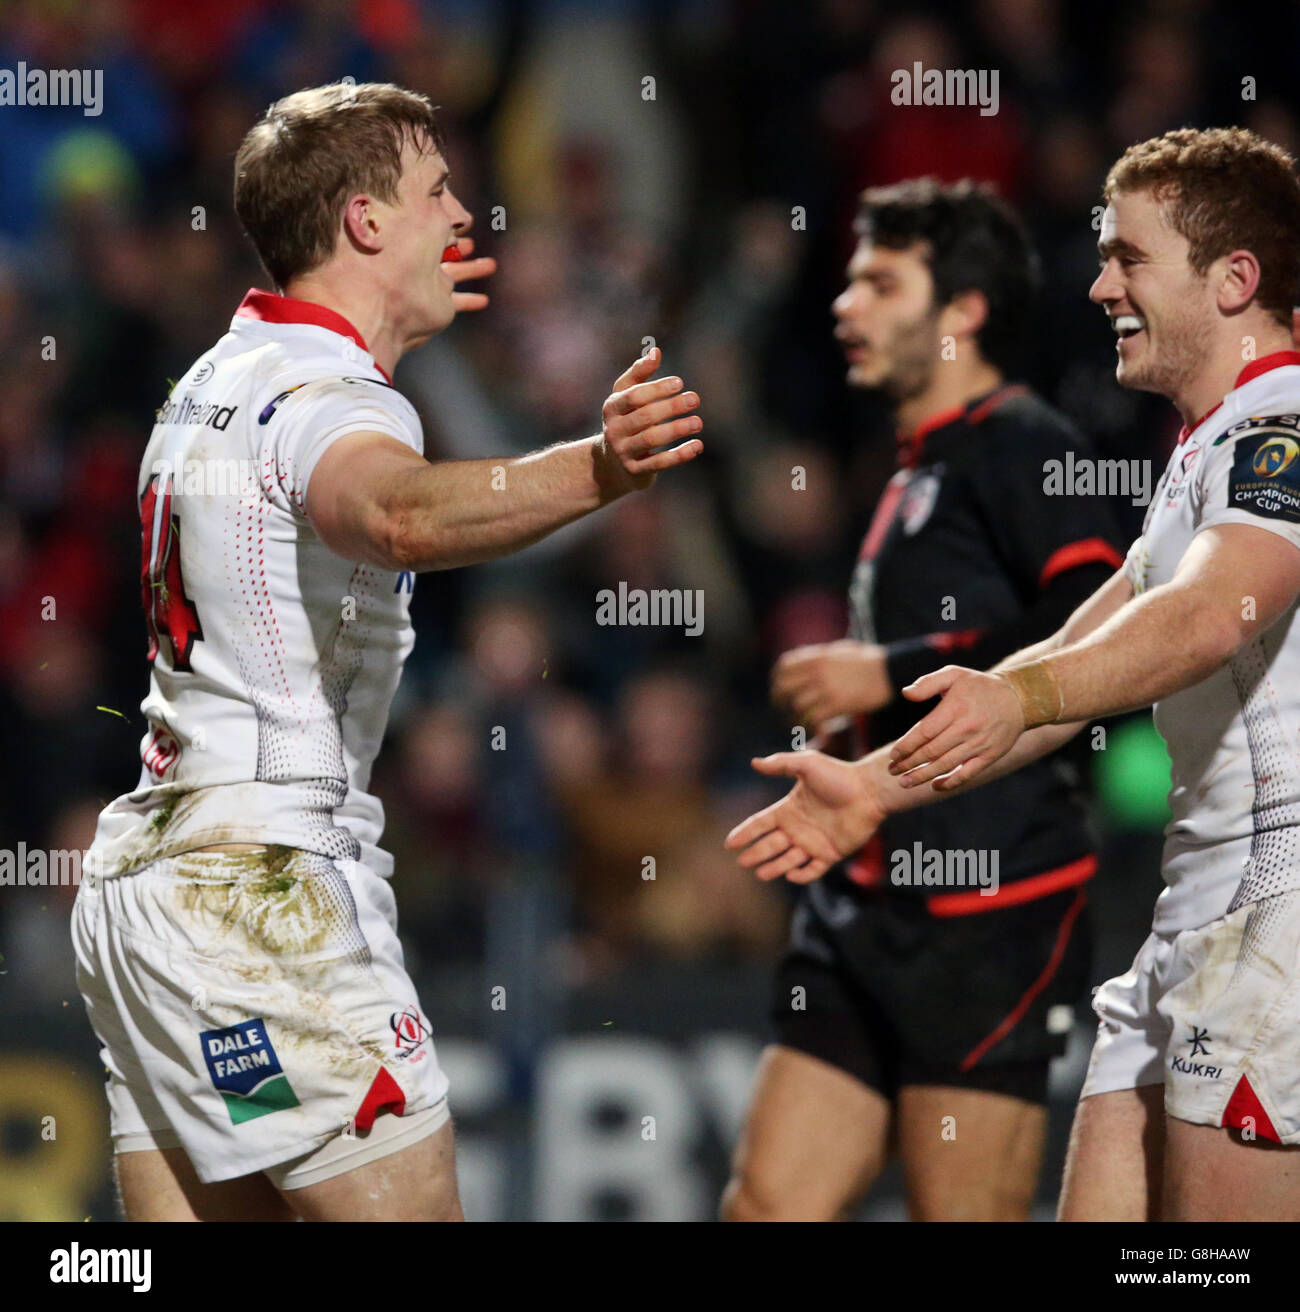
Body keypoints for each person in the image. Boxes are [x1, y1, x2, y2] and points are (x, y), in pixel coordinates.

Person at [71, 81, 704, 1222]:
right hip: (261, 886)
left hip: (150, 885)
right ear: (366, 222)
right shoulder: (326, 391)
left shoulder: (207, 381)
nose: (467, 214)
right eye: (439, 190)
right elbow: (396, 514)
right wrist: (597, 470)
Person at [726, 127, 1300, 1223]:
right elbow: (1058, 661)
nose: (1098, 286)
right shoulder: (1206, 447)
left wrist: (1015, 691)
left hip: (1273, 904)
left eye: (1128, 258)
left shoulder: (1280, 430)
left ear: (1235, 280)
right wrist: (881, 787)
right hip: (1197, 908)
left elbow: (1211, 615)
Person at [722, 179, 1125, 1222]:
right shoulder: (911, 470)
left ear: (963, 311)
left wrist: (883, 664)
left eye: (881, 283)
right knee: (767, 1204)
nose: (845, 307)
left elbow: (1096, 621)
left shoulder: (1029, 442)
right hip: (864, 903)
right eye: (851, 280)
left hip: (990, 912)